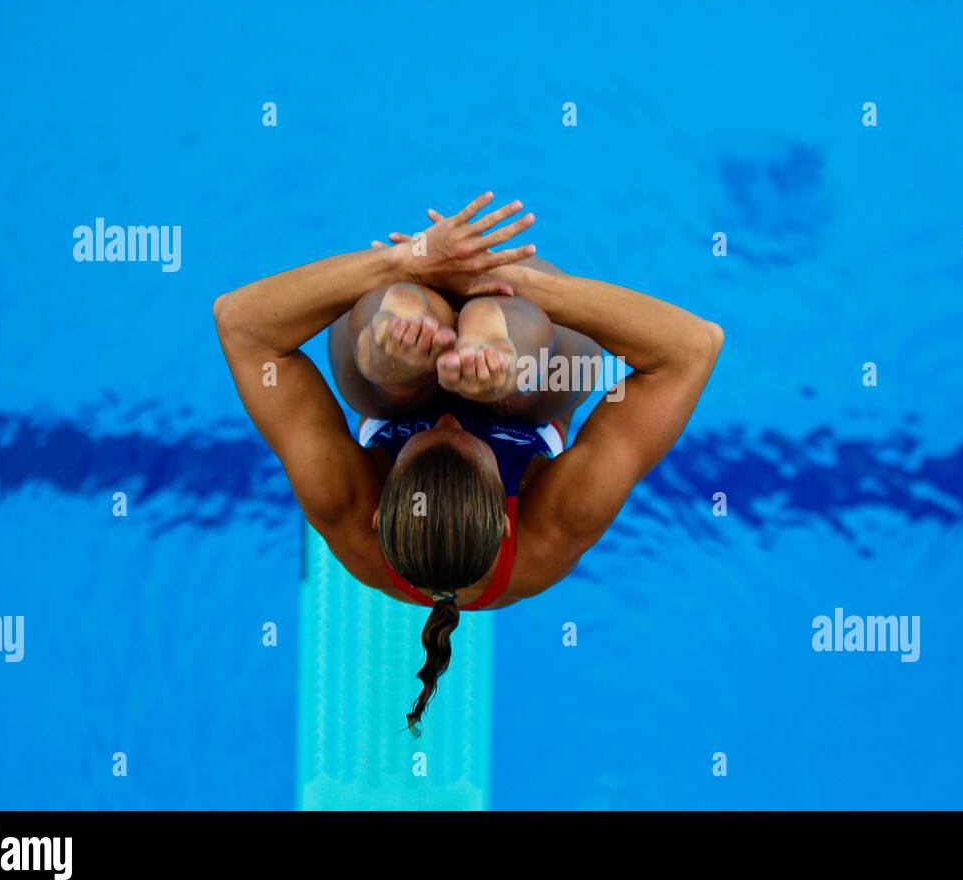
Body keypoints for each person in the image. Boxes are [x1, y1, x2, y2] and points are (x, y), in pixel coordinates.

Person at [214, 192, 722, 733]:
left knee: (394, 325)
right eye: (471, 447)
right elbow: (692, 347)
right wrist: (524, 285)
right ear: (508, 519)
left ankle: (396, 342)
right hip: (527, 392)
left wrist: (401, 263)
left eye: (426, 440)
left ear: (380, 509)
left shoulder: (345, 504)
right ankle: (497, 351)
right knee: (505, 337)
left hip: (393, 389)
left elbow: (242, 325)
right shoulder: (553, 527)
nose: (449, 421)